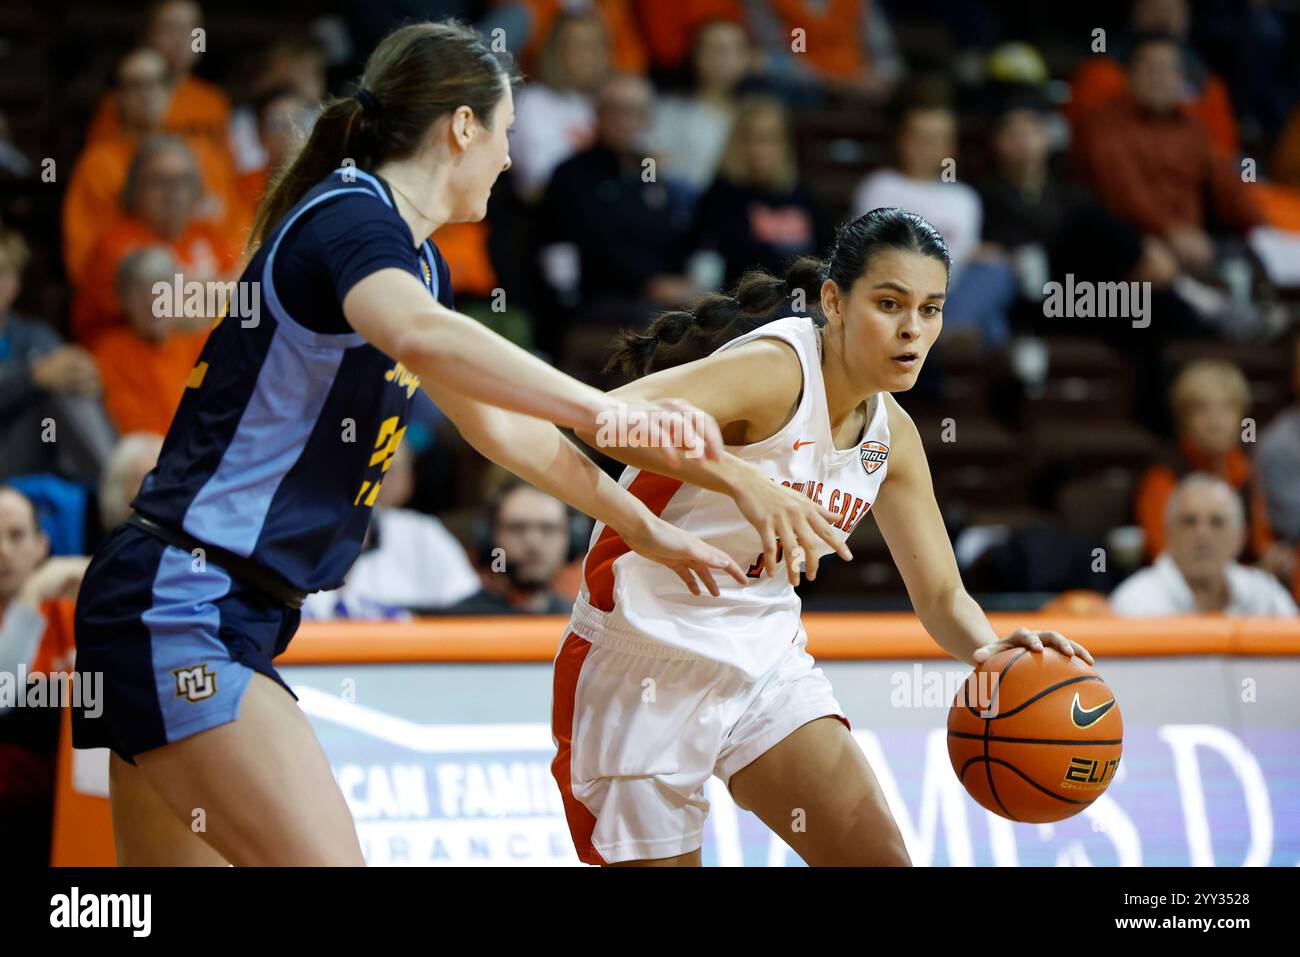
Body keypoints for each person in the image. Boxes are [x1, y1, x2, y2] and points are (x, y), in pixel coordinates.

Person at [70, 19, 786, 868]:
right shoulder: (350, 220)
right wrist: (605, 413)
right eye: (507, 133)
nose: (512, 159)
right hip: (185, 603)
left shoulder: (416, 261)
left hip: (202, 604)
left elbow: (503, 428)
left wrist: (636, 520)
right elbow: (424, 336)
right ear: (462, 128)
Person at [551, 207, 1092, 867]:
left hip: (763, 662)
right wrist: (740, 479)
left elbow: (943, 595)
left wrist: (995, 651)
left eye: (930, 309)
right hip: (640, 659)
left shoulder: (892, 439)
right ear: (833, 301)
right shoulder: (778, 371)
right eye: (889, 304)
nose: (911, 330)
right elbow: (601, 420)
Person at [0, 486, 89, 863]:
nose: (3, 550)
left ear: (42, 545)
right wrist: (31, 597)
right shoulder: (38, 599)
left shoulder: (70, 614)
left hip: (74, 808)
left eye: (16, 535)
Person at [0, 228, 115, 482]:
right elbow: (39, 375)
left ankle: (117, 480)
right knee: (51, 381)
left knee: (67, 384)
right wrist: (33, 377)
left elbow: (72, 376)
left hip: (41, 458)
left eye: (2, 273)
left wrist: (85, 375)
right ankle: (118, 483)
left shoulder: (33, 333)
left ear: (16, 285)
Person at [1110, 474, 1297, 616]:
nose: (1202, 535)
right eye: (1189, 522)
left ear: (1240, 537)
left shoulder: (1266, 594)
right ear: (1168, 534)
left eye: (1217, 522)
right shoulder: (1134, 604)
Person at [447, 478, 583, 615]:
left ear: (571, 539)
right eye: (517, 528)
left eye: (548, 529)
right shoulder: (453, 623)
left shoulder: (584, 626)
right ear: (490, 537)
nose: (533, 543)